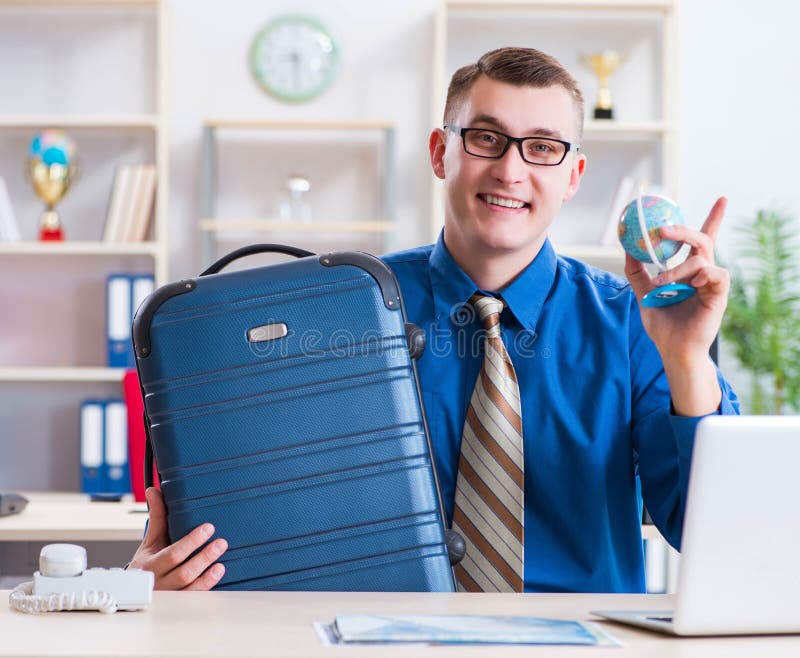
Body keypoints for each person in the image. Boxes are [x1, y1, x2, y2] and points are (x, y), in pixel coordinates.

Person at [129, 47, 738, 592]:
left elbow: (712, 535)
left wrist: (687, 359)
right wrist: (169, 579)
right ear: (440, 153)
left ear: (572, 175)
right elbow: (269, 516)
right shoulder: (338, 307)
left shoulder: (632, 324)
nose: (510, 170)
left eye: (543, 147)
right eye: (486, 138)